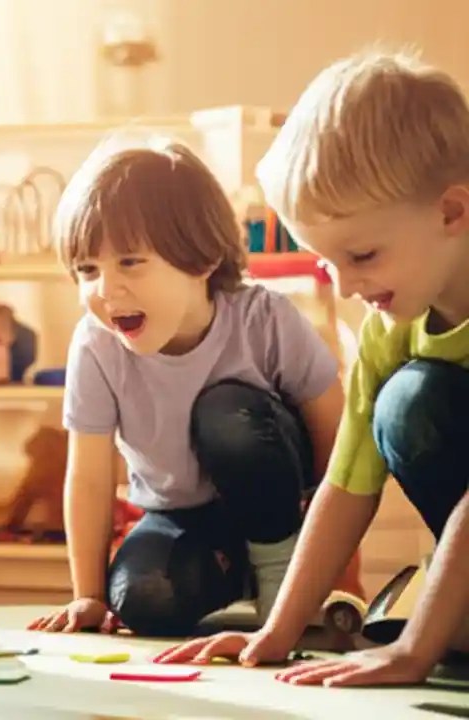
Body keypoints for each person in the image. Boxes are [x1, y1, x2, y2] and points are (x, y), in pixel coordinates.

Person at [155, 50, 469, 688]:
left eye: (363, 255)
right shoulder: (392, 329)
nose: (348, 285)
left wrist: (416, 648)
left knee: (419, 404)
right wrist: (278, 629)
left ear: (451, 212)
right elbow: (347, 485)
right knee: (407, 401)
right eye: (328, 264)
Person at [30, 136, 345, 638]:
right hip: (184, 517)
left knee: (227, 414)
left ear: (199, 259)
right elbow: (88, 476)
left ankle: (280, 568)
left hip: (282, 504)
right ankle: (239, 574)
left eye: (130, 262)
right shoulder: (95, 344)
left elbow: (340, 448)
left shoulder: (265, 319)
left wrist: (340, 578)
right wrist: (87, 594)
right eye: (88, 270)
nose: (106, 290)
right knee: (143, 598)